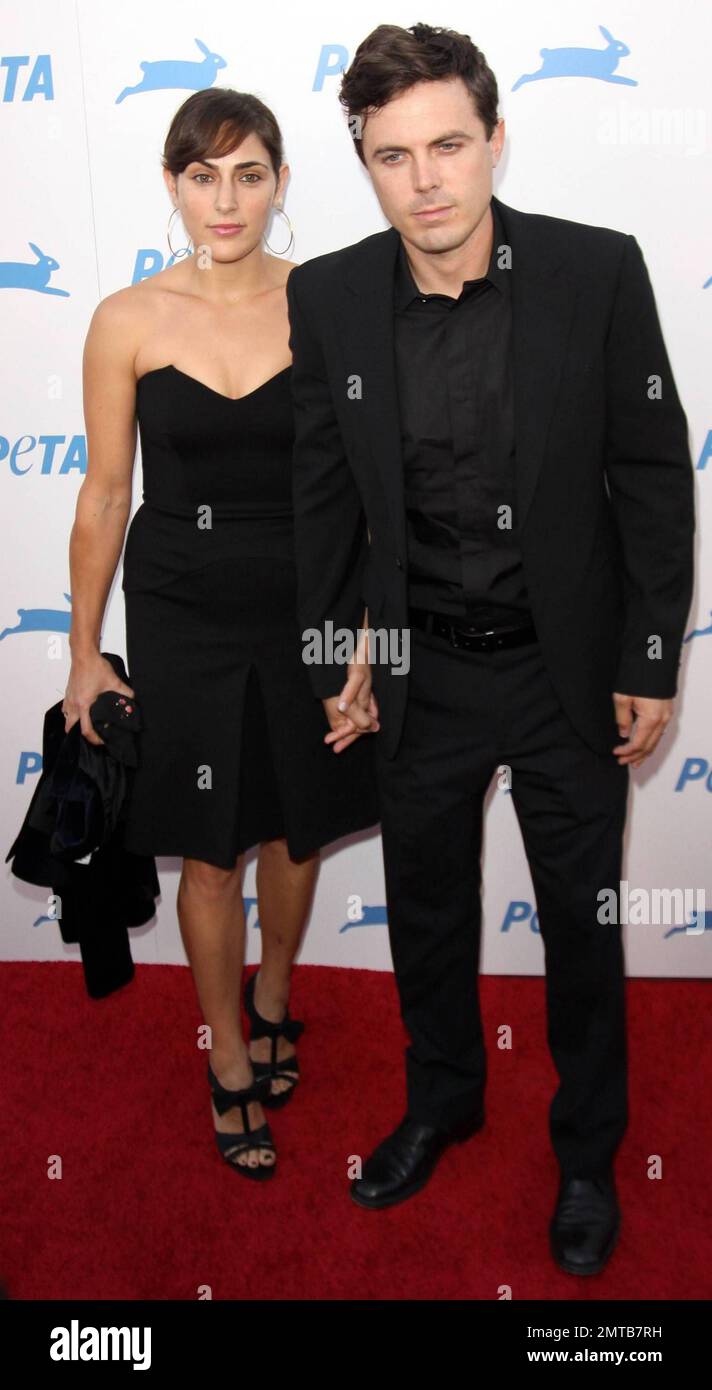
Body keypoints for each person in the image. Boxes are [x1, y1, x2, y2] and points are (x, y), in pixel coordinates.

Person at [286, 24, 695, 1270]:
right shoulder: (332, 294)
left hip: (562, 663)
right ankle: (444, 1099)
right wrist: (330, 654)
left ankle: (585, 1154)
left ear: (494, 138)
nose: (426, 180)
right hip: (417, 667)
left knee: (580, 919)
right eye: (392, 155)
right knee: (424, 909)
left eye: (448, 145)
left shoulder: (597, 271)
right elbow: (322, 493)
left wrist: (646, 656)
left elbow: (650, 472)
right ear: (363, 165)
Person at [63, 87, 380, 1181]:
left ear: (281, 182)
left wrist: (360, 639)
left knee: (296, 827)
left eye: (249, 173)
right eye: (203, 174)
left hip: (308, 601)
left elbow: (364, 490)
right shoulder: (127, 318)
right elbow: (106, 496)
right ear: (171, 184)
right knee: (210, 847)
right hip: (183, 608)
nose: (226, 197)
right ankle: (230, 1058)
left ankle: (279, 987)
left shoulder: (332, 302)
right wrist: (83, 649)